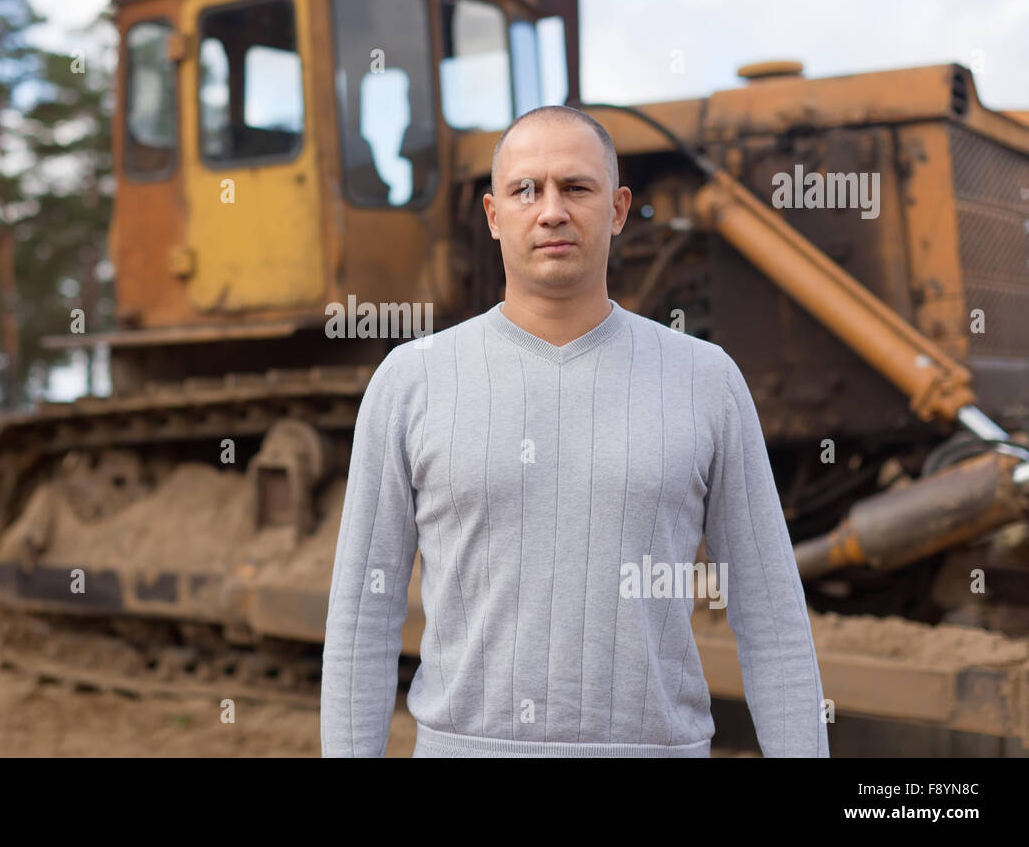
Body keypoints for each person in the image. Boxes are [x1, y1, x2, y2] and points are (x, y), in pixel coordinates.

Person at [320, 105, 829, 758]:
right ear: (493, 215)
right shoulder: (411, 383)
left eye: (576, 188)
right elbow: (363, 616)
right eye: (526, 189)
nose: (552, 210)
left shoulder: (705, 381)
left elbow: (772, 617)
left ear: (618, 210)